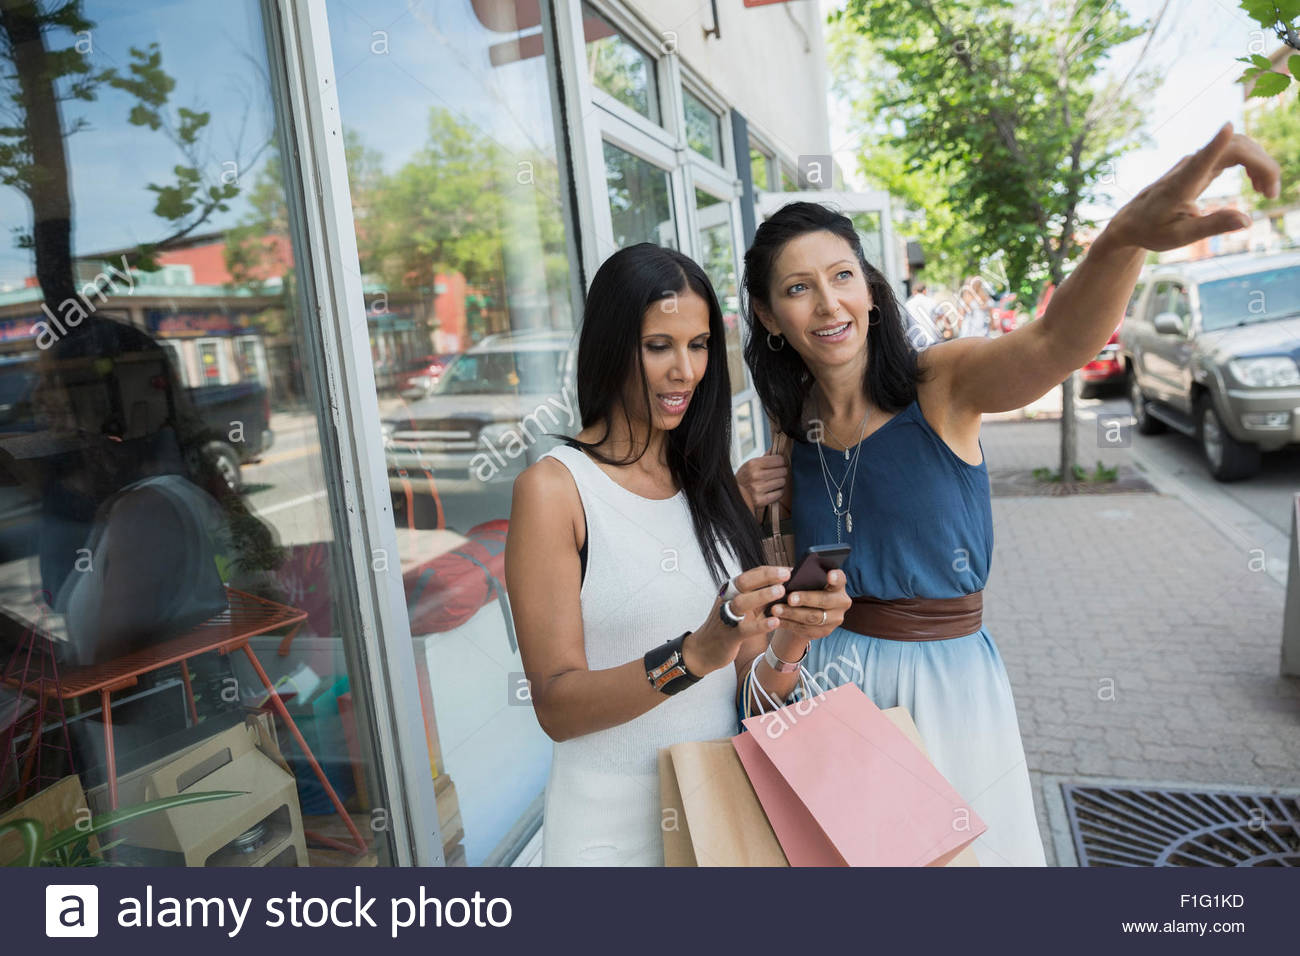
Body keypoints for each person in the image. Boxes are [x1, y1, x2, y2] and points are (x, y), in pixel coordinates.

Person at [734, 124, 1280, 866]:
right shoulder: (789, 424)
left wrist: (1122, 239)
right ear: (769, 316)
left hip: (942, 683)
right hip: (828, 686)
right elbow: (783, 582)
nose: (828, 304)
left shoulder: (941, 384)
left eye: (842, 276)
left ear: (869, 287)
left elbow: (1056, 343)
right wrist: (751, 506)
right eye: (798, 288)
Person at [505, 243, 850, 866]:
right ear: (612, 347)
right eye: (658, 346)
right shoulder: (555, 490)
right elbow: (556, 706)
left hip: (716, 825)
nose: (685, 371)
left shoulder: (708, 484)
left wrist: (792, 641)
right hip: (607, 837)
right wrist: (694, 654)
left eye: (698, 346)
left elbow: (748, 690)